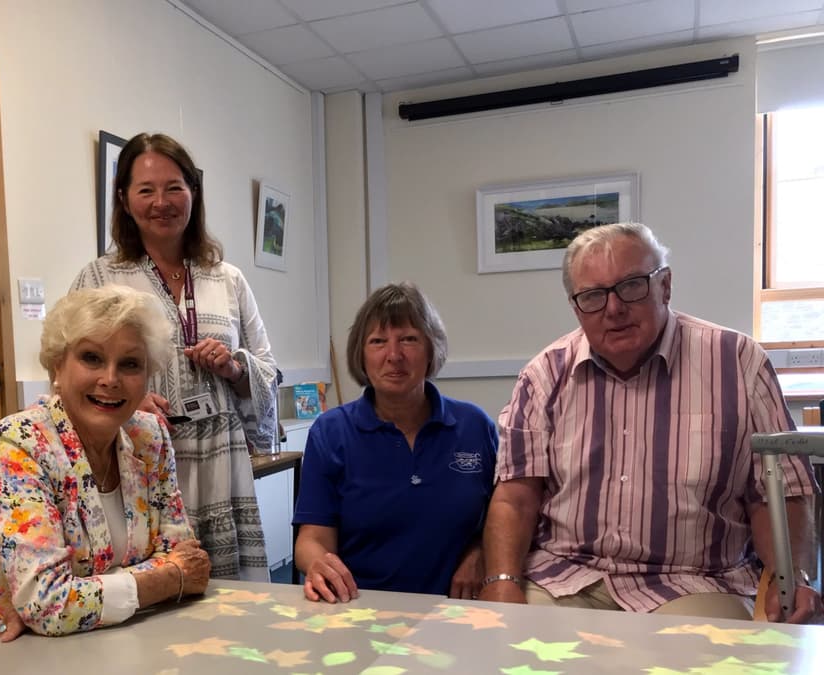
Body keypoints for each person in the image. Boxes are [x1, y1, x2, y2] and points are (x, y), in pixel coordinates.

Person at [482, 222, 822, 623]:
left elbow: (780, 494)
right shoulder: (543, 376)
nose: (614, 308)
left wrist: (794, 577)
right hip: (562, 579)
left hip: (696, 582)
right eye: (593, 296)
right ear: (576, 307)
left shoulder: (738, 363)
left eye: (631, 286)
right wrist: (501, 579)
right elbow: (515, 498)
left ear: (665, 285)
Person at [0, 285, 210, 656]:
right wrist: (167, 578)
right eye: (92, 358)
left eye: (130, 364)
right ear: (57, 366)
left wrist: (82, 593)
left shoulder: (150, 435)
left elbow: (185, 554)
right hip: (5, 655)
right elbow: (46, 603)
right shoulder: (17, 444)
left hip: (116, 647)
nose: (110, 379)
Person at [71, 132, 279, 581]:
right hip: (141, 460)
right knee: (158, 589)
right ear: (125, 200)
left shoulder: (227, 279)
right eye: (146, 190)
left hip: (222, 462)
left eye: (173, 188)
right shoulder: (100, 277)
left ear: (193, 194)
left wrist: (234, 366)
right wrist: (129, 401)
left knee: (229, 599)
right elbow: (68, 369)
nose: (161, 202)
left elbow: (268, 368)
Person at [292, 283, 497, 603]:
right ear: (361, 354)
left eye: (408, 339)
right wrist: (319, 563)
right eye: (378, 342)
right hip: (360, 606)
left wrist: (479, 552)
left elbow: (505, 516)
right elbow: (312, 538)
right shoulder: (331, 432)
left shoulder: (475, 426)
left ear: (431, 349)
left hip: (459, 608)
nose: (394, 355)